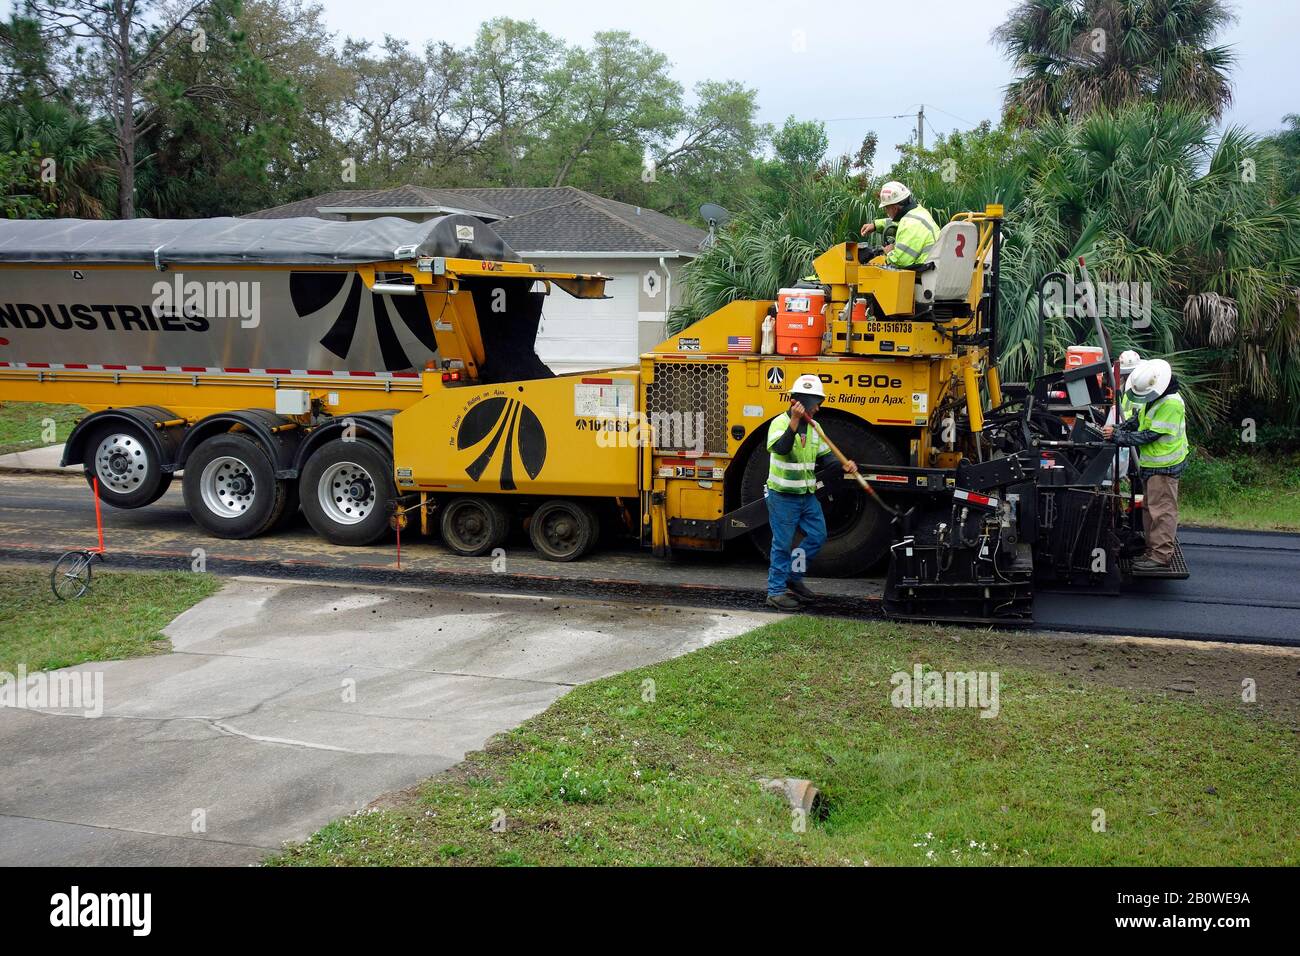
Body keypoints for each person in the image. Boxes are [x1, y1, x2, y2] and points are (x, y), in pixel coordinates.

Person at [764, 374, 858, 609]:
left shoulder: (816, 428)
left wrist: (844, 465)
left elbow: (827, 459)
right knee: (782, 544)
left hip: (806, 495)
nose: (818, 407)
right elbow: (782, 449)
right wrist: (794, 422)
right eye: (815, 402)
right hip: (782, 495)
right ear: (801, 401)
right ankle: (775, 592)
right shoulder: (778, 423)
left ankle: (793, 577)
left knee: (817, 536)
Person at [1103, 358, 1190, 571]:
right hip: (1154, 465)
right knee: (1150, 508)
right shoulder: (1156, 399)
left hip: (1165, 466)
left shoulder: (1171, 404)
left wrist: (1118, 436)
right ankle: (1153, 550)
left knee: (1162, 511)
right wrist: (1119, 427)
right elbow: (1139, 420)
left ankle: (1160, 556)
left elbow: (1149, 435)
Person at [859, 181, 940, 268]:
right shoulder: (919, 212)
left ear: (894, 208)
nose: (886, 211)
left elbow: (900, 261)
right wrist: (875, 225)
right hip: (935, 266)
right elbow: (898, 222)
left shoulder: (909, 225)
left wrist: (889, 252)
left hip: (926, 273)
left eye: (886, 207)